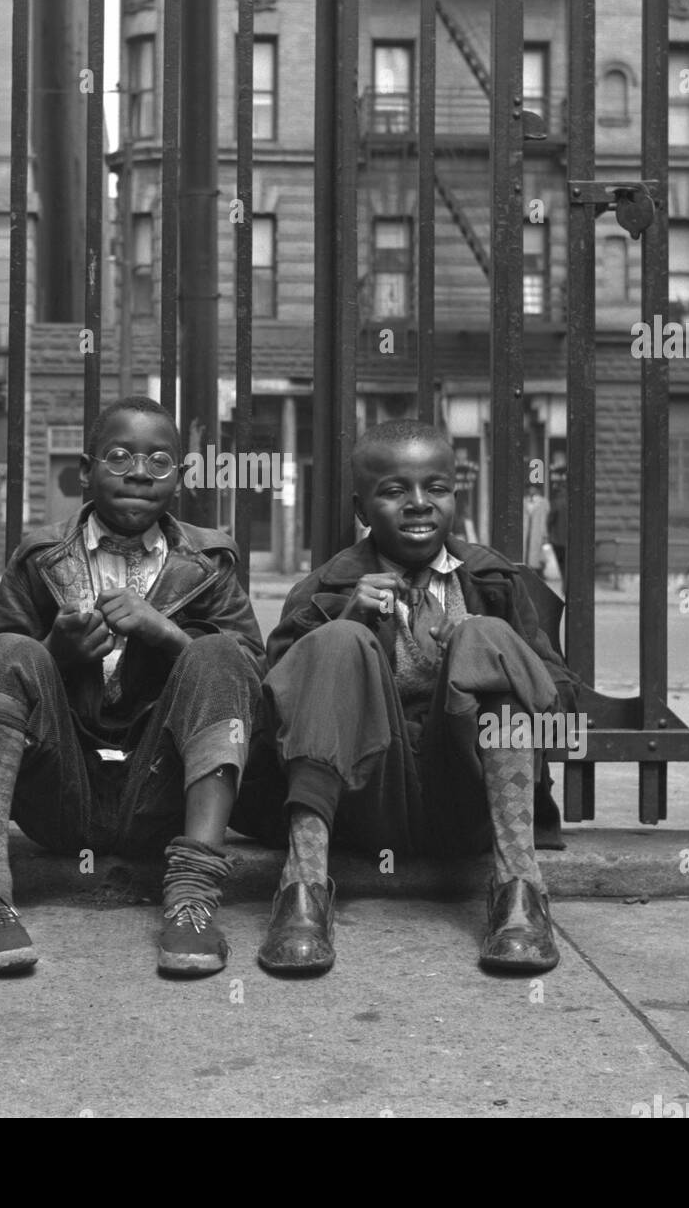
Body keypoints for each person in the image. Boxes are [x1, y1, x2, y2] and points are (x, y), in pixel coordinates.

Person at [234, 419, 580, 977]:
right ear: (362, 508)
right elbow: (272, 719)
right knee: (339, 640)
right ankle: (302, 891)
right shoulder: (324, 588)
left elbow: (559, 710)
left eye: (435, 488)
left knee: (484, 638)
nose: (419, 504)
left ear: (453, 495)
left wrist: (481, 651)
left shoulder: (496, 581)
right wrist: (344, 618)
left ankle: (520, 892)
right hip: (361, 803)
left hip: (473, 801)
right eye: (394, 491)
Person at [0, 396, 264, 978]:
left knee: (217, 651)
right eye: (119, 457)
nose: (140, 473)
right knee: (11, 650)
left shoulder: (210, 560)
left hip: (161, 794)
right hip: (61, 790)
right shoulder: (41, 557)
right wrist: (55, 653)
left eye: (159, 462)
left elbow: (253, 678)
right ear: (86, 469)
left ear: (180, 477)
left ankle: (193, 900)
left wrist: (169, 634)